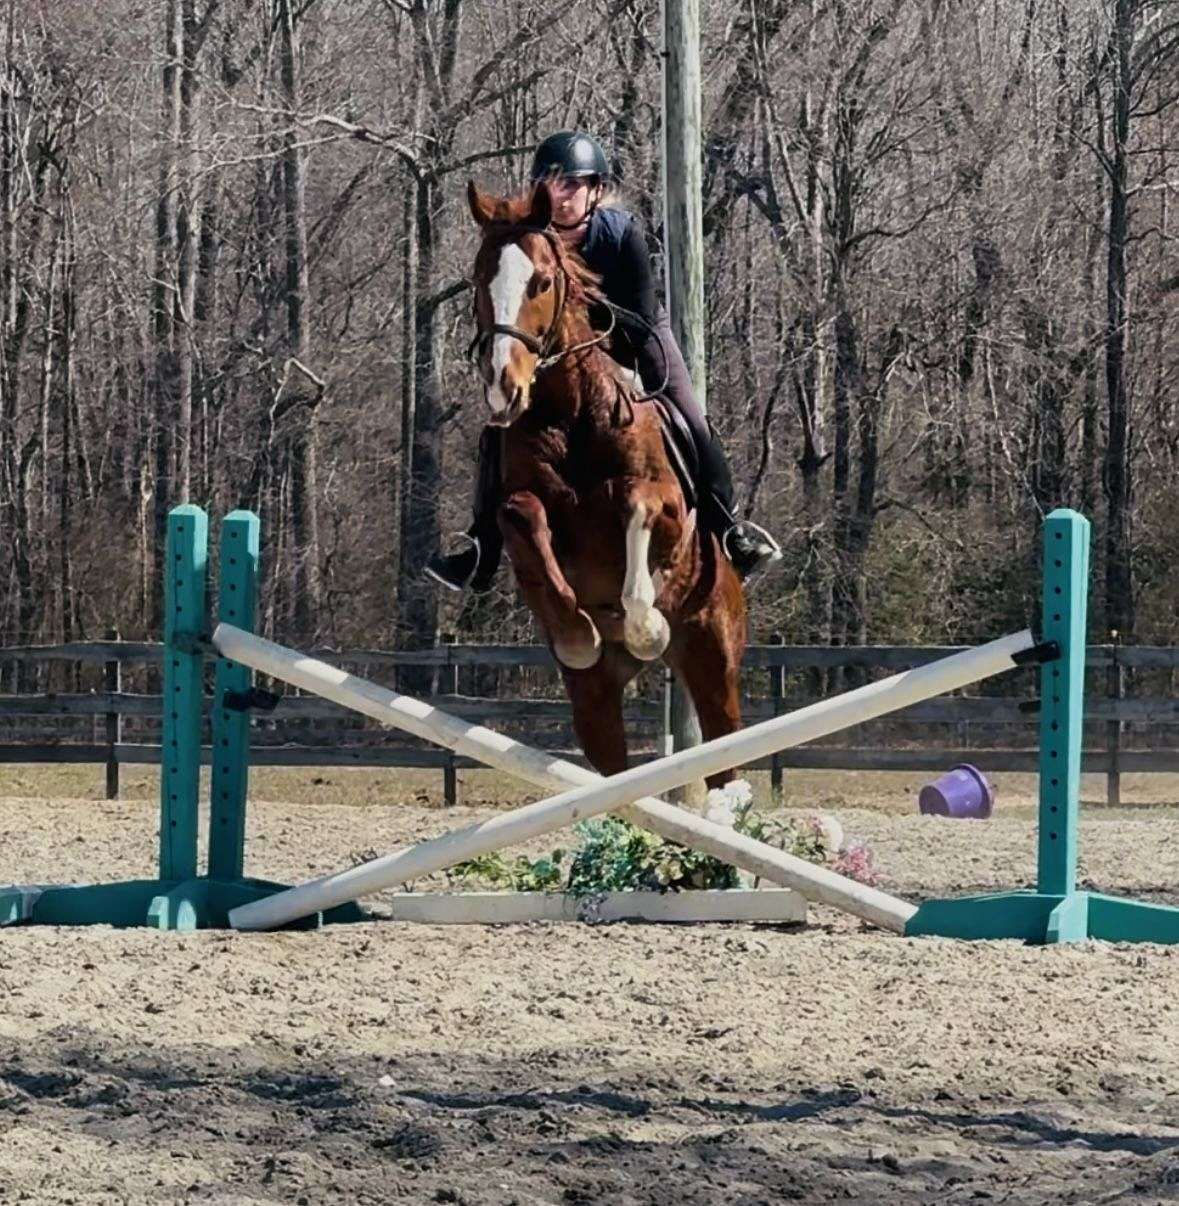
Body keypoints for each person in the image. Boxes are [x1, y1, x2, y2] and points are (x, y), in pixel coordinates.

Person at [426, 130, 781, 593]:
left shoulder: (620, 233)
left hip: (634, 335)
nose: (563, 195)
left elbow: (640, 311)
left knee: (690, 416)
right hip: (557, 357)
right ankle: (481, 549)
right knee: (497, 431)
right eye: (552, 184)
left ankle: (728, 528)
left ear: (595, 189)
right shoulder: (530, 242)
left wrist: (596, 336)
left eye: (573, 185)